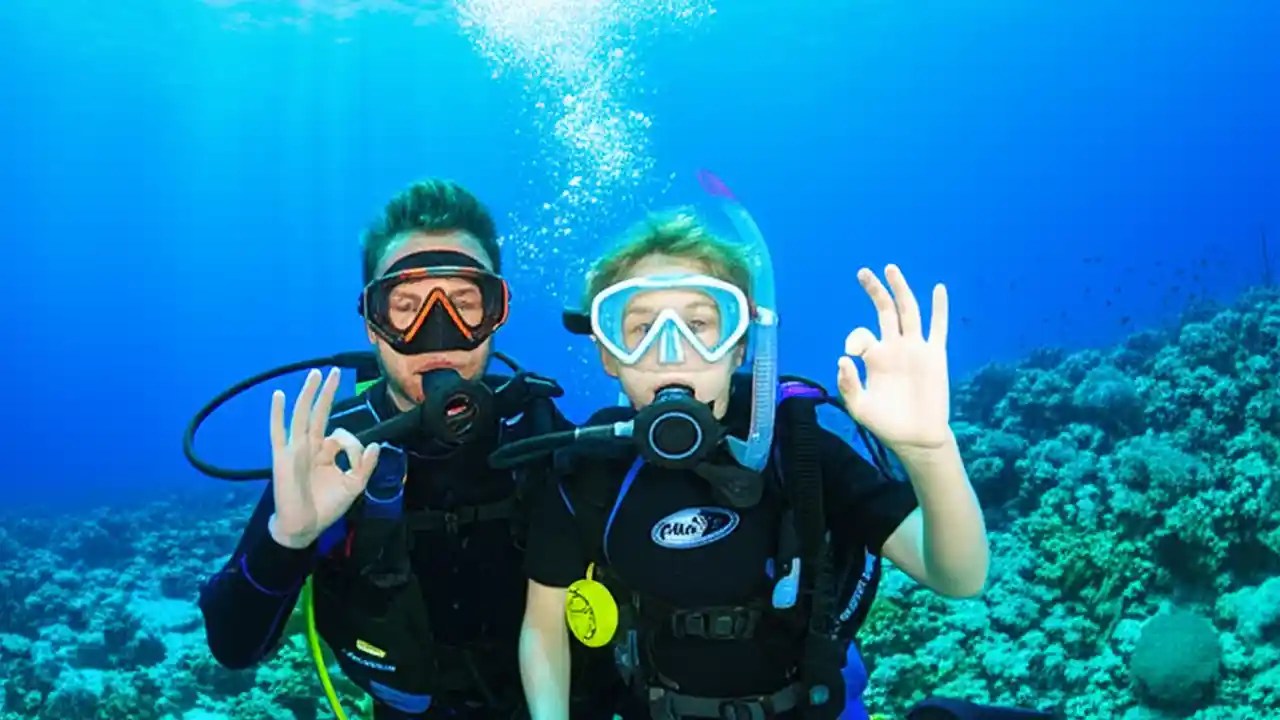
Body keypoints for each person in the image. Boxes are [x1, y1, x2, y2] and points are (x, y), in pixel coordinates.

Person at [504, 172, 1051, 720]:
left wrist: (930, 449)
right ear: (607, 355)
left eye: (700, 323)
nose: (671, 352)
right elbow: (544, 625)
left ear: (741, 346)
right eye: (639, 328)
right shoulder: (588, 469)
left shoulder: (798, 447)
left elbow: (959, 576)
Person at [196, 179, 621, 720]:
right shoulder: (333, 456)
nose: (438, 333)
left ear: (495, 316)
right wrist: (289, 539)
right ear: (373, 324)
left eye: (465, 303)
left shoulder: (538, 433)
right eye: (405, 306)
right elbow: (235, 649)